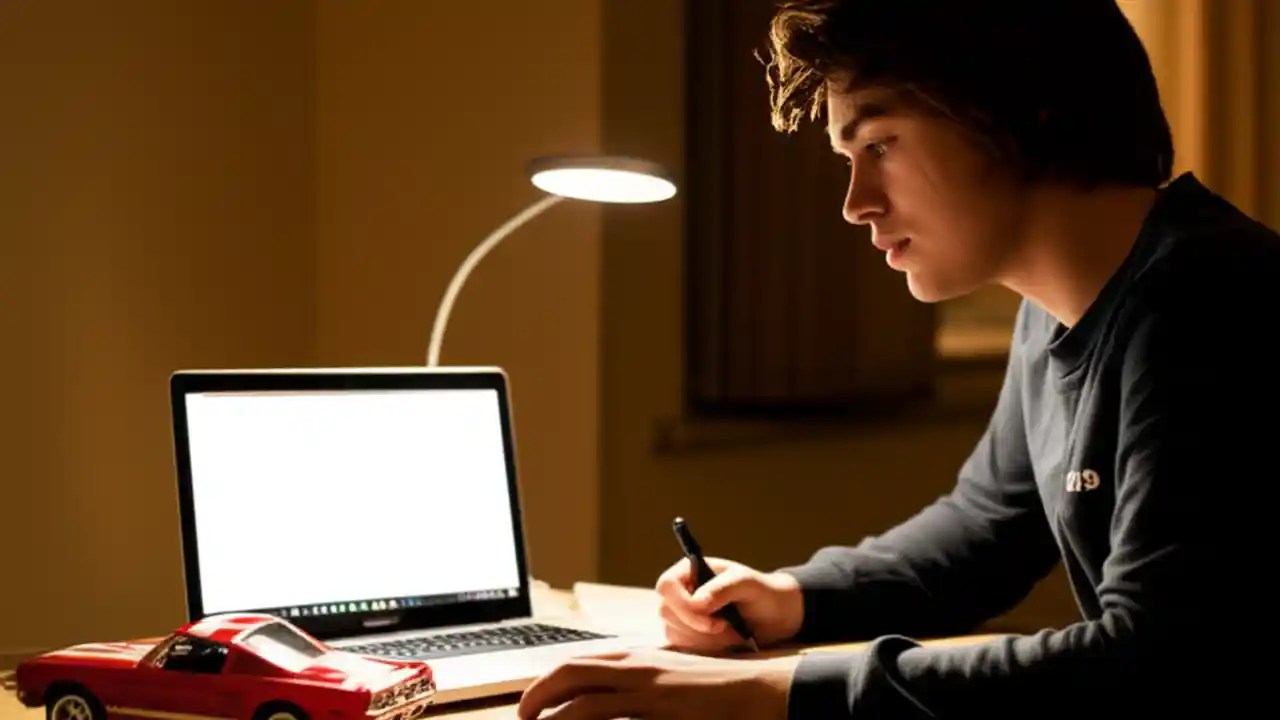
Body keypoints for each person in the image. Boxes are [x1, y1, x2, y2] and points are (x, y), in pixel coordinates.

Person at [517, 1, 1280, 717]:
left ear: (1017, 108)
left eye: (879, 145)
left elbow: (1151, 659)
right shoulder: (1057, 310)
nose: (855, 202)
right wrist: (795, 597)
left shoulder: (1208, 301)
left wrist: (763, 689)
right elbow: (985, 529)